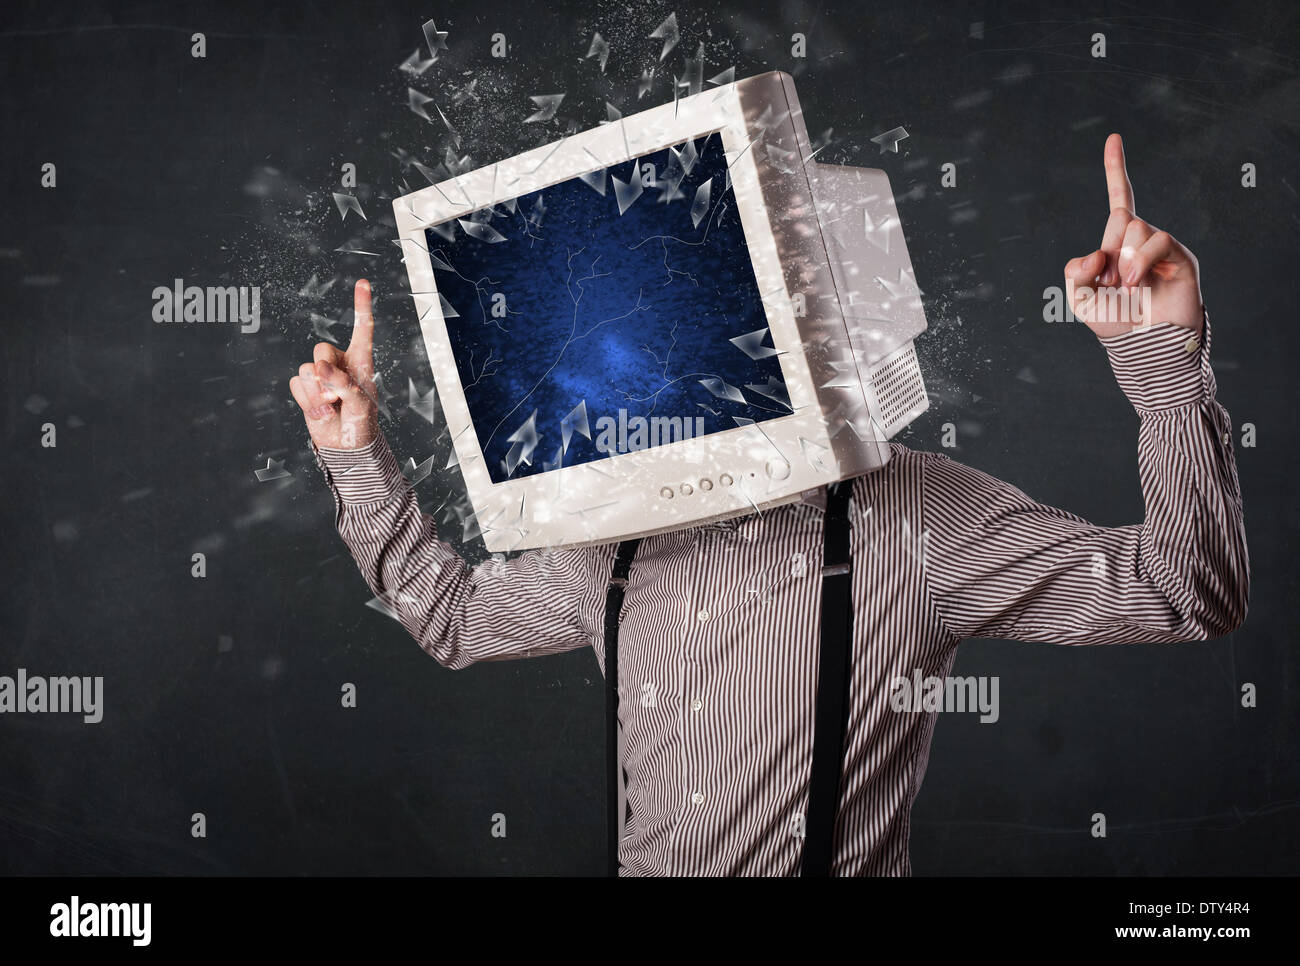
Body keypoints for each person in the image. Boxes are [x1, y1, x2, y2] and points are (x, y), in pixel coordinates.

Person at [288, 134, 1248, 876]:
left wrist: (1162, 366)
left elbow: (1182, 591)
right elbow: (452, 619)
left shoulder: (912, 518)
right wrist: (357, 453)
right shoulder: (615, 545)